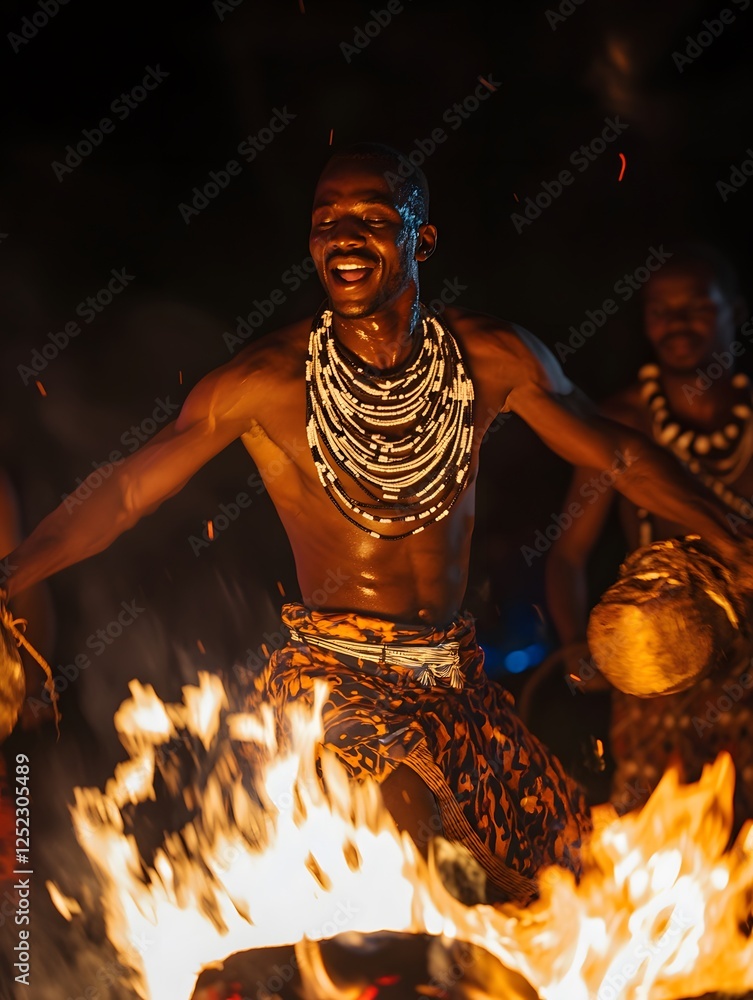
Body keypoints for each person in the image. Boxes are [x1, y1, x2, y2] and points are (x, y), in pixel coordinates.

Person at [2, 148, 750, 901]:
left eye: (373, 220)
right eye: (327, 221)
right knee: (394, 876)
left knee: (572, 881)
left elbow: (617, 452)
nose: (345, 237)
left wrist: (729, 536)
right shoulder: (263, 382)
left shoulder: (489, 359)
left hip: (452, 678)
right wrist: (13, 576)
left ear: (421, 242)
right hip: (334, 683)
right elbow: (128, 492)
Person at [546, 243, 753, 824]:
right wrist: (574, 644)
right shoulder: (623, 425)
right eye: (662, 310)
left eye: (697, 308)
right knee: (654, 842)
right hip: (652, 675)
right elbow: (568, 553)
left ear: (734, 310)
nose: (678, 323)